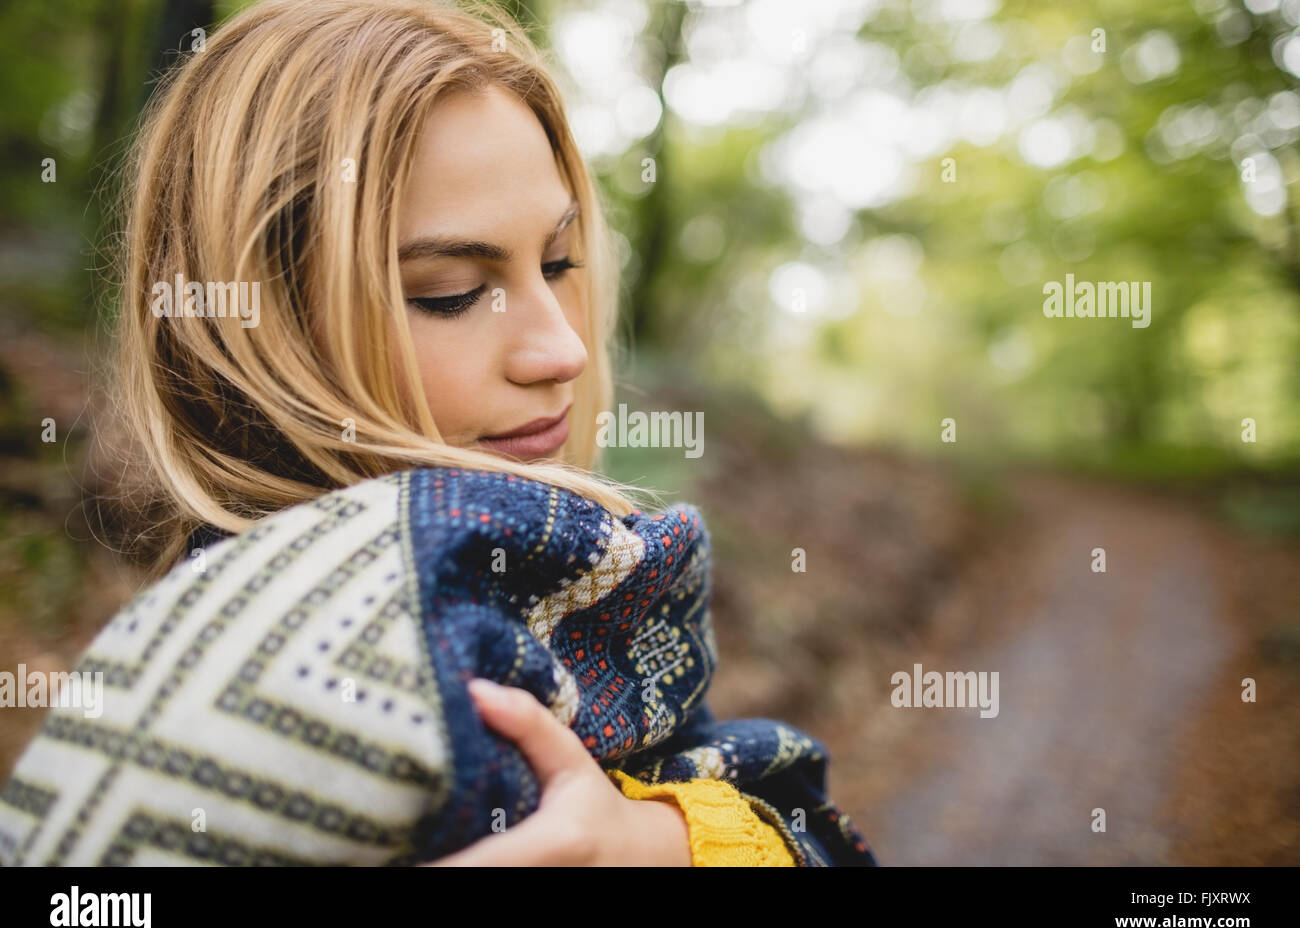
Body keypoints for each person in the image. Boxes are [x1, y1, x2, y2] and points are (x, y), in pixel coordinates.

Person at [0, 0, 876, 867]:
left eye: (560, 262)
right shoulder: (217, 715)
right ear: (247, 328)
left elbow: (796, 812)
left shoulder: (576, 607)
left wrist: (650, 843)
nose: (563, 350)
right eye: (450, 291)